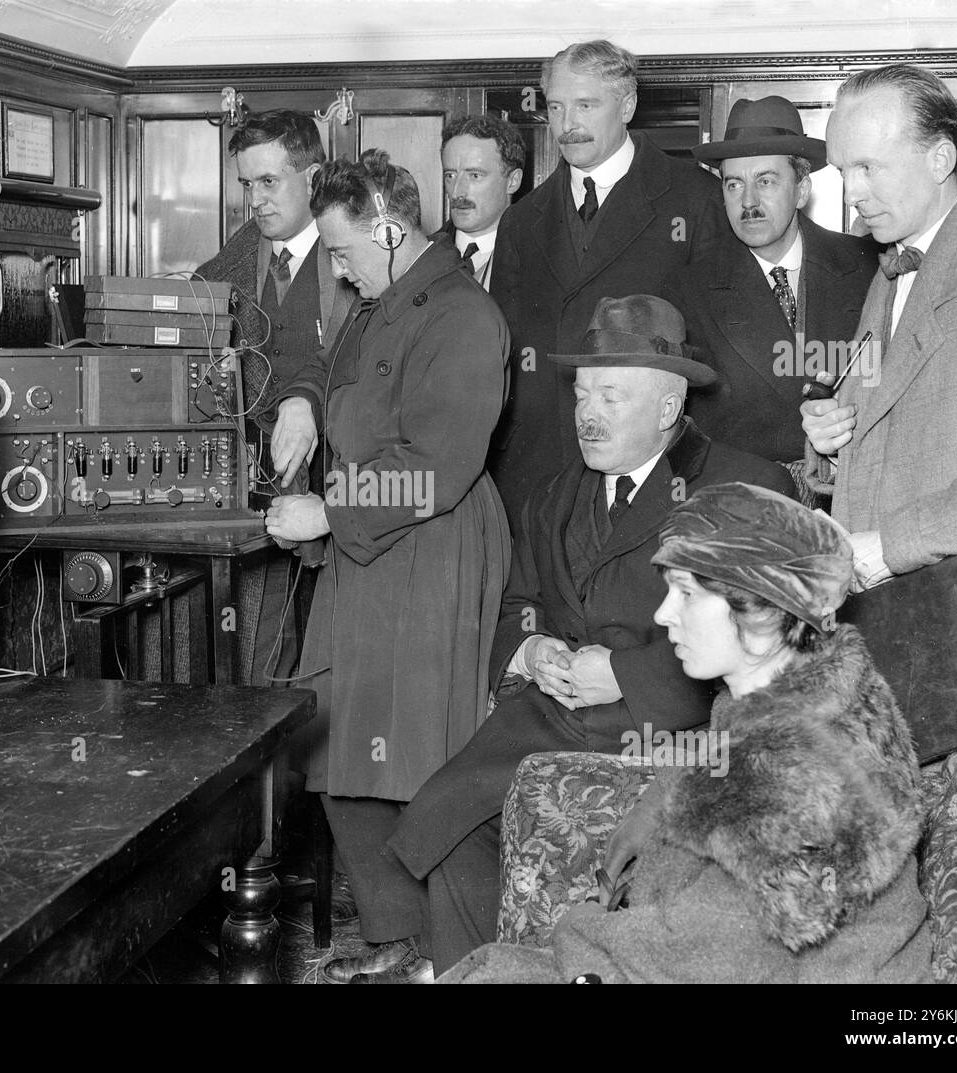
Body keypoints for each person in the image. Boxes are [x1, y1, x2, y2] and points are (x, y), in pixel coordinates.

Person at [376, 295, 796, 980]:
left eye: (611, 395)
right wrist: (531, 649)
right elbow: (518, 603)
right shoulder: (554, 493)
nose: (587, 413)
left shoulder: (743, 485)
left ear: (668, 407)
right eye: (581, 392)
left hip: (669, 727)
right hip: (548, 716)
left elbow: (765, 638)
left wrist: (625, 675)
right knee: (448, 818)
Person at [440, 482, 933, 984]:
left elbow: (699, 962)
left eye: (688, 594)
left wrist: (579, 926)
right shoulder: (798, 701)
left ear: (762, 605)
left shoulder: (791, 777)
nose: (663, 614)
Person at [264, 149, 512, 985]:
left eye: (343, 251)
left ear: (391, 228)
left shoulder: (464, 316)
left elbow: (437, 460)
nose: (336, 269)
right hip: (367, 550)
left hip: (431, 548)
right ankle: (397, 937)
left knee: (423, 762)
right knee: (339, 753)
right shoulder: (379, 302)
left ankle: (459, 956)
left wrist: (330, 512)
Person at [801, 63, 957, 636]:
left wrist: (893, 545)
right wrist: (832, 445)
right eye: (842, 170)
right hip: (902, 620)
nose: (851, 193)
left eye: (868, 167)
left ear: (940, 159)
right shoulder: (890, 271)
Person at [489, 38, 727, 526]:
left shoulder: (695, 198)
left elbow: (715, 349)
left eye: (586, 105)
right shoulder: (521, 220)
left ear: (628, 105)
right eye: (555, 107)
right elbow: (503, 358)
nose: (567, 124)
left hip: (653, 473)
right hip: (539, 479)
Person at [196, 110, 355, 685]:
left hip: (344, 487)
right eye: (246, 184)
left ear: (312, 179)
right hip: (249, 493)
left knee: (335, 660)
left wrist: (305, 401)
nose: (255, 200)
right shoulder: (226, 265)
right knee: (258, 657)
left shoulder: (360, 256)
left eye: (269, 182)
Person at [663, 96, 878, 478]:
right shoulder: (687, 289)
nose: (748, 201)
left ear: (801, 190)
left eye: (765, 181)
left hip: (851, 498)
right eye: (733, 185)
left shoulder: (866, 268)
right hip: (742, 508)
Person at [436, 115, 525, 289]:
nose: (457, 192)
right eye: (450, 176)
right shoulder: (421, 257)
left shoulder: (537, 260)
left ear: (513, 181)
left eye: (475, 176)